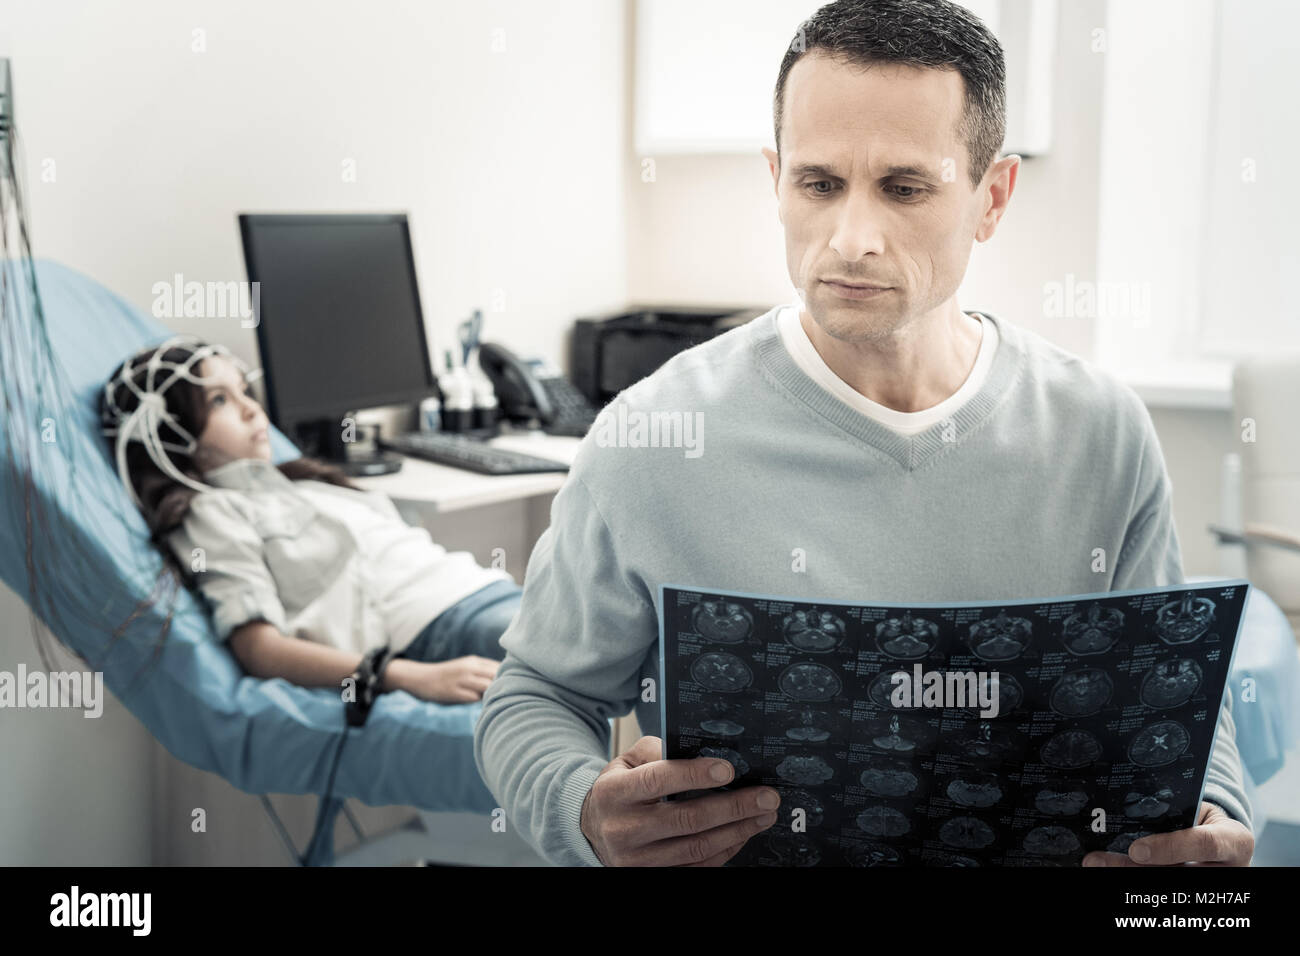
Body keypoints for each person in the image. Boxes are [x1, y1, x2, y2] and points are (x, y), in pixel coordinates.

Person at [474, 0, 1255, 867]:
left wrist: (1211, 812)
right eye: (818, 183)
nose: (851, 239)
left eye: (904, 187)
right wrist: (583, 809)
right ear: (777, 182)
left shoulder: (1102, 435)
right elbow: (535, 694)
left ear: (991, 197)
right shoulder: (651, 439)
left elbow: (1173, 712)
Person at [99, 336, 521, 703]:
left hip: (492, 594)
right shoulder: (214, 513)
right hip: (445, 628)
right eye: (219, 399)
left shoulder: (298, 484)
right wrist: (407, 676)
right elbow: (258, 648)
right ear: (168, 436)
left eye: (245, 390)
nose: (251, 410)